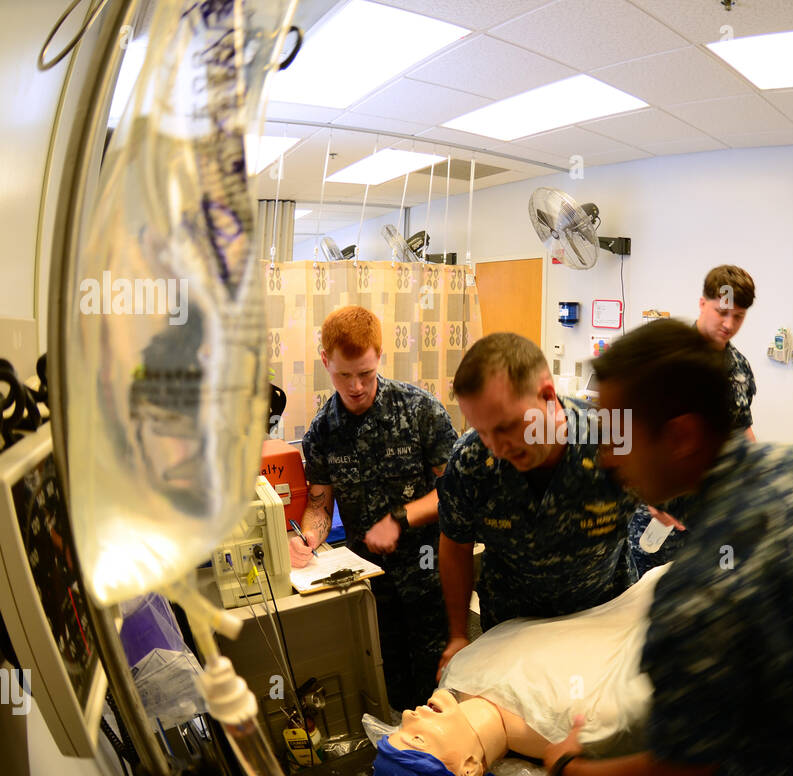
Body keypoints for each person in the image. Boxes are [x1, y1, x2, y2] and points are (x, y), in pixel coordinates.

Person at [540, 319, 793, 776]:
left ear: (680, 436)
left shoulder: (695, 596)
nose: (606, 456)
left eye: (618, 436)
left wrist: (568, 767)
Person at [372, 565, 670, 776]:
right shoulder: (574, 722)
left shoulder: (457, 673)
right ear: (470, 768)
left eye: (402, 728)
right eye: (417, 739)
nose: (409, 715)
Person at [436, 333, 638, 674]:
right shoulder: (471, 460)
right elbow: (456, 545)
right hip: (514, 628)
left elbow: (688, 501)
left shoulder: (613, 439)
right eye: (484, 431)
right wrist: (458, 634)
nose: (497, 448)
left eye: (506, 427)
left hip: (601, 619)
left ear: (547, 396)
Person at [295, 306, 457, 712]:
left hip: (428, 572)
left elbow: (456, 491)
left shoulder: (420, 411)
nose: (355, 386)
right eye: (344, 375)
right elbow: (319, 504)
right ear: (325, 361)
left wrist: (399, 519)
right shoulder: (322, 432)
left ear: (379, 357)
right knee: (385, 677)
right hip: (368, 580)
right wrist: (308, 539)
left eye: (365, 373)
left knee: (439, 680)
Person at [627, 264, 757, 577]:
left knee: (710, 592)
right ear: (702, 303)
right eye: (721, 312)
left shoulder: (738, 367)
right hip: (660, 511)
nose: (728, 324)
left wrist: (760, 475)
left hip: (714, 510)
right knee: (644, 600)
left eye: (738, 316)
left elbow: (742, 429)